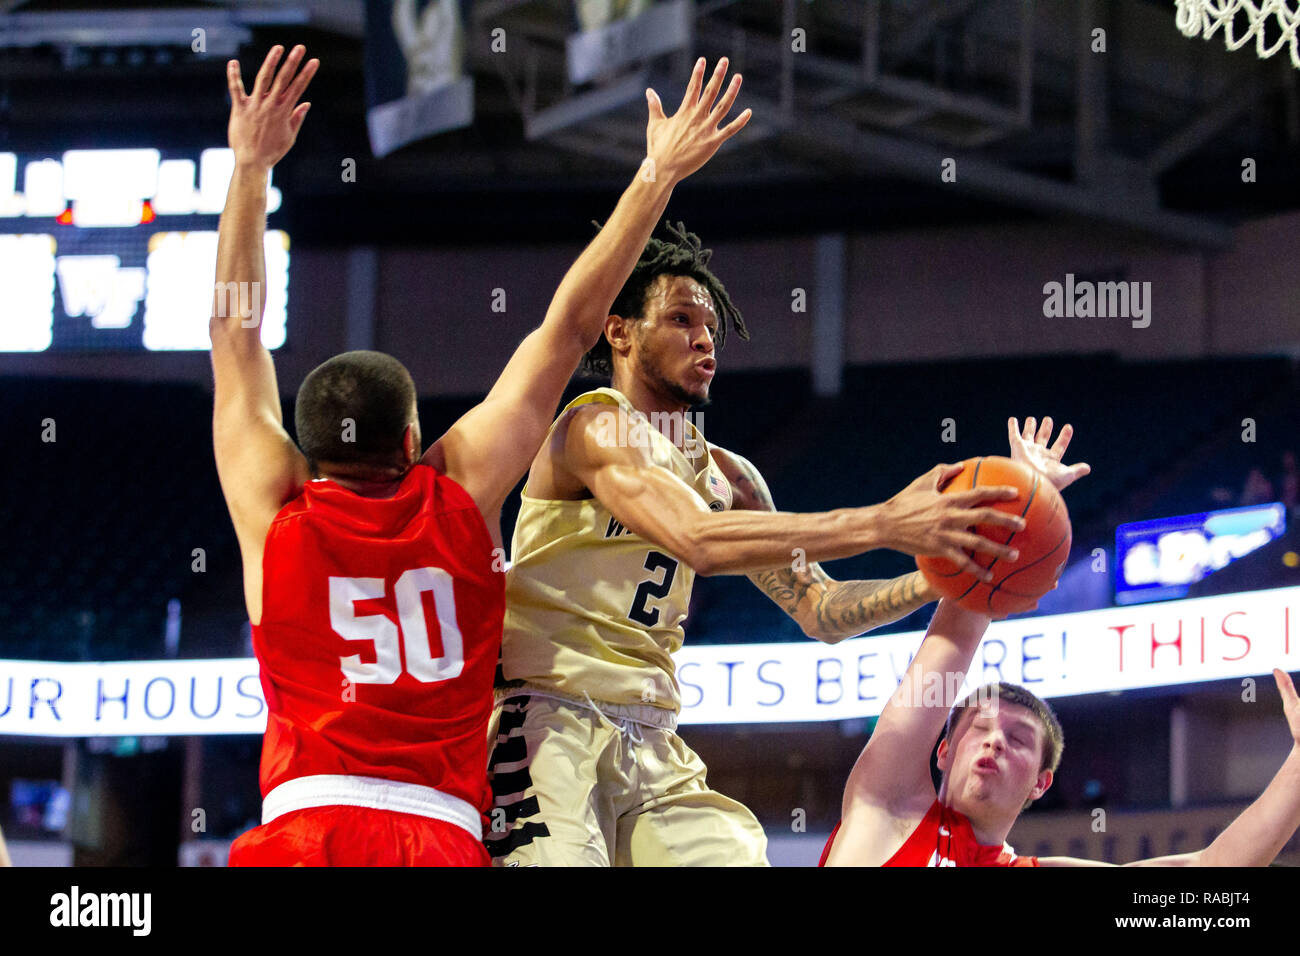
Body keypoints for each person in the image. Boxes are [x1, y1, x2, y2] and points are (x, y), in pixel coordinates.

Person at [212, 45, 752, 864]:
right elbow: (570, 328)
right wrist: (655, 175)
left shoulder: (274, 509)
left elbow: (234, 332)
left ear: (305, 449)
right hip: (438, 831)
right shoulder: (458, 491)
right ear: (410, 442)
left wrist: (250, 168)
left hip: (307, 825)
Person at [485, 239, 1046, 864]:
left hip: (650, 737)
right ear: (618, 332)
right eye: (681, 320)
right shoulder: (595, 426)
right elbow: (696, 539)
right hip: (548, 722)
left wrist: (952, 572)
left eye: (711, 328)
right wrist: (885, 521)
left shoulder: (732, 478)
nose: (705, 341)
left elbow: (823, 610)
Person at [822, 418, 1300, 866]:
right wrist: (1020, 502)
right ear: (943, 751)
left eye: (1018, 740)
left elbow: (1214, 866)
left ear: (1040, 783)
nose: (994, 743)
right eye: (980, 728)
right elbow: (953, 636)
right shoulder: (886, 802)